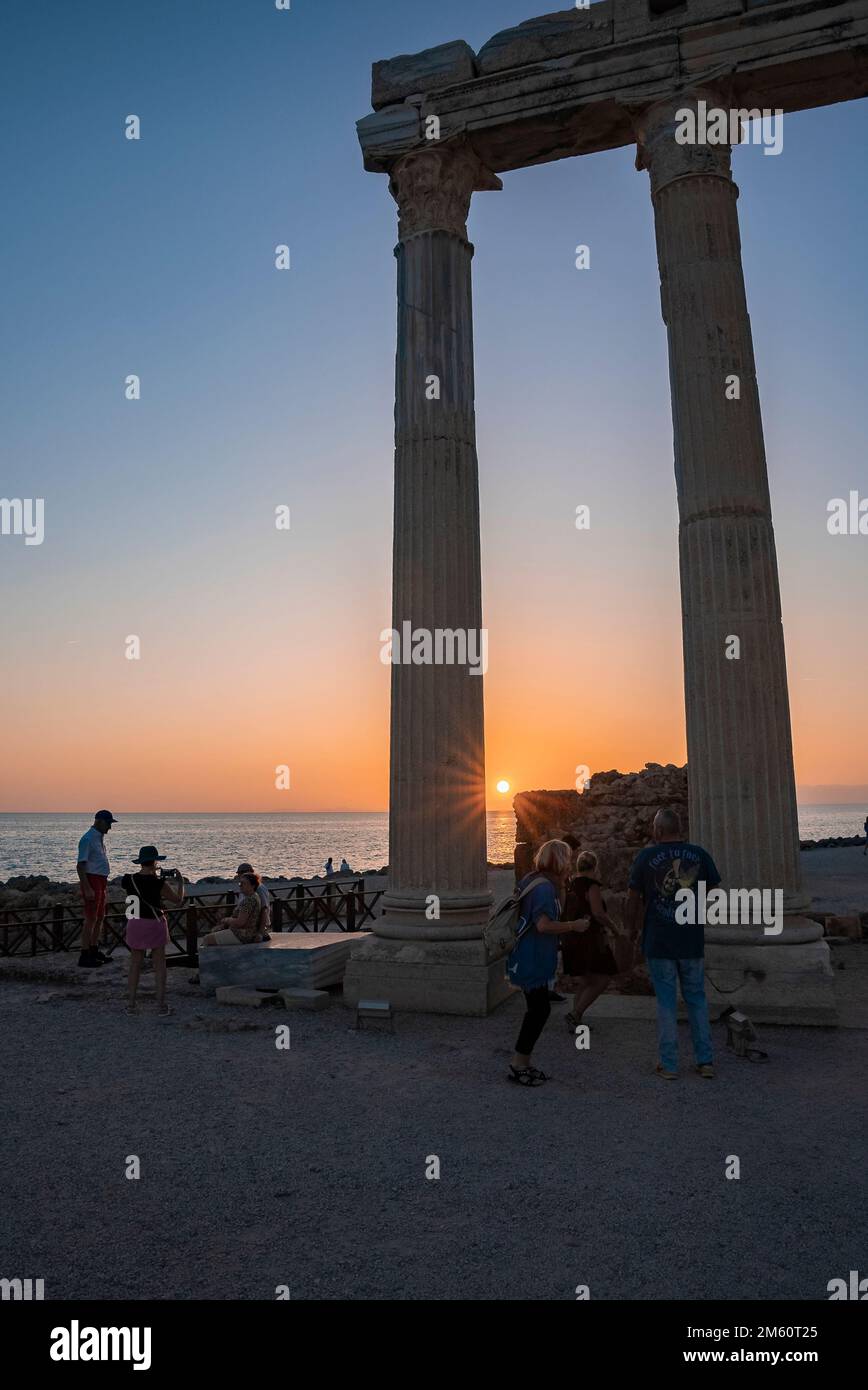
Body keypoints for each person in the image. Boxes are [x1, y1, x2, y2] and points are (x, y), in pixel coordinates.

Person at [625, 808, 720, 1080]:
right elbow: (713, 890)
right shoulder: (699, 855)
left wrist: (630, 931)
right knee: (697, 999)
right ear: (681, 829)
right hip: (691, 939)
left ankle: (669, 1064)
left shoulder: (646, 857)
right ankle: (705, 1061)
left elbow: (632, 897)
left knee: (666, 1002)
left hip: (659, 940)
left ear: (657, 830)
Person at [506, 839, 591, 1087]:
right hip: (532, 958)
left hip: (531, 956)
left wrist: (563, 888)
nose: (571, 863)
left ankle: (523, 1062)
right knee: (538, 1010)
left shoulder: (536, 881)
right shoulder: (543, 888)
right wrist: (574, 926)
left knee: (538, 1009)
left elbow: (551, 913)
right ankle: (519, 1063)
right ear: (560, 861)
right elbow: (543, 925)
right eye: (568, 858)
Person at [560, 849, 621, 1031]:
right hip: (590, 940)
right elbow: (598, 913)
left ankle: (575, 1020)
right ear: (595, 866)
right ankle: (575, 1014)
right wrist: (614, 929)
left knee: (586, 980)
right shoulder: (591, 885)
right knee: (602, 979)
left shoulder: (570, 885)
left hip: (572, 939)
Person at [122, 846, 184, 1016]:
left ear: (140, 862)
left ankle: (131, 1005)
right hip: (154, 922)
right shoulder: (159, 883)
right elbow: (177, 900)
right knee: (159, 966)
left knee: (135, 964)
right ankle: (160, 1006)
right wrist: (180, 883)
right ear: (155, 862)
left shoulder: (128, 879)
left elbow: (133, 895)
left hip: (134, 922)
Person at [75, 810, 117, 968]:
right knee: (91, 918)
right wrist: (87, 887)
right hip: (92, 880)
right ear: (99, 821)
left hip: (101, 880)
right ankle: (84, 954)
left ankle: (93, 949)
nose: (110, 828)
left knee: (100, 917)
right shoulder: (87, 839)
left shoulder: (98, 839)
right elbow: (80, 865)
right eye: (108, 823)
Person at [201, 872, 267, 947]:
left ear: (253, 886)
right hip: (250, 933)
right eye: (240, 883)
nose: (240, 886)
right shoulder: (255, 896)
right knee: (215, 932)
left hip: (242, 934)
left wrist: (226, 920)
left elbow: (240, 922)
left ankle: (208, 958)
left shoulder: (248, 900)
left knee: (206, 939)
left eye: (243, 883)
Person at [234, 862, 271, 936]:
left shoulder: (258, 888)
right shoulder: (244, 887)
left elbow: (264, 908)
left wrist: (261, 930)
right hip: (244, 925)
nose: (240, 875)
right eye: (239, 873)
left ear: (251, 872)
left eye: (242, 872)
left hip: (254, 927)